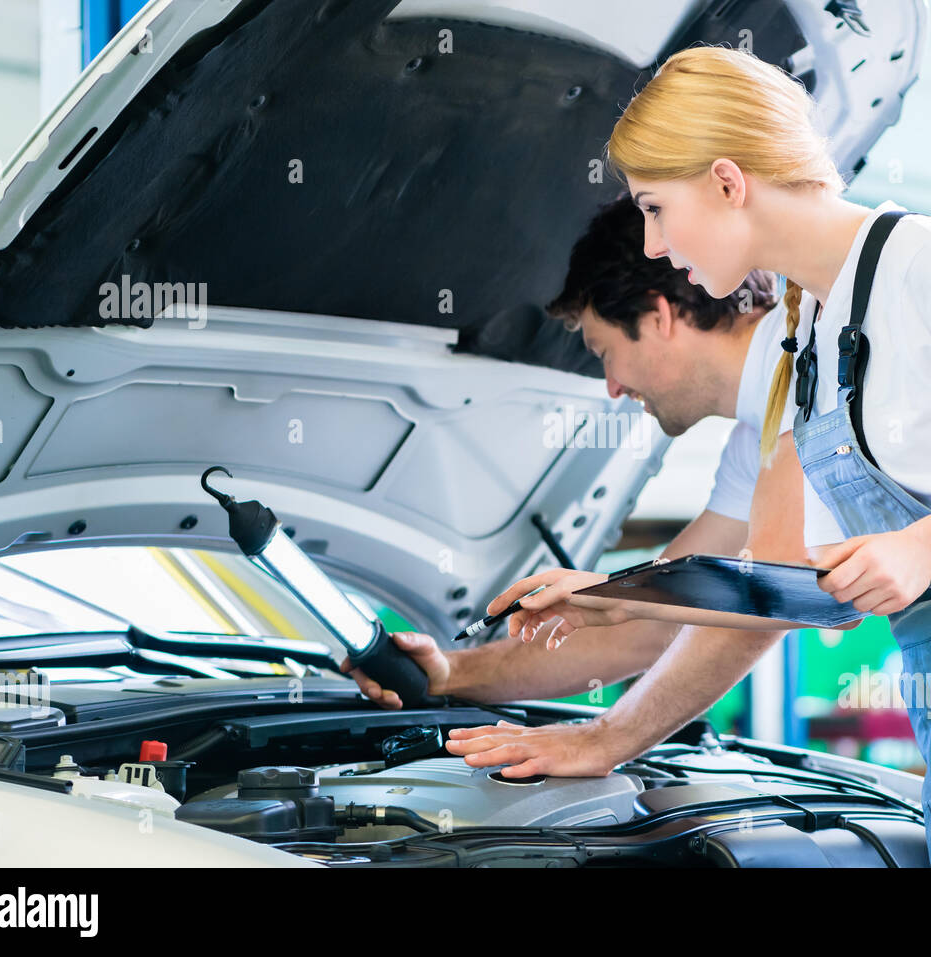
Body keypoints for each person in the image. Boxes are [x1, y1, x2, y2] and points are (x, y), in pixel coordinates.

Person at [447, 46, 931, 868]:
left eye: (657, 209)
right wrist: (609, 597)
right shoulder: (810, 326)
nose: (656, 245)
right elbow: (778, 585)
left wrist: (922, 544)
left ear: (729, 183)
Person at [345, 192, 856, 733]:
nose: (613, 389)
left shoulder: (816, 363)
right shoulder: (756, 439)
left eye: (605, 350)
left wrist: (601, 742)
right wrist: (448, 673)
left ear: (659, 317)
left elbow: (766, 594)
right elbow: (650, 628)